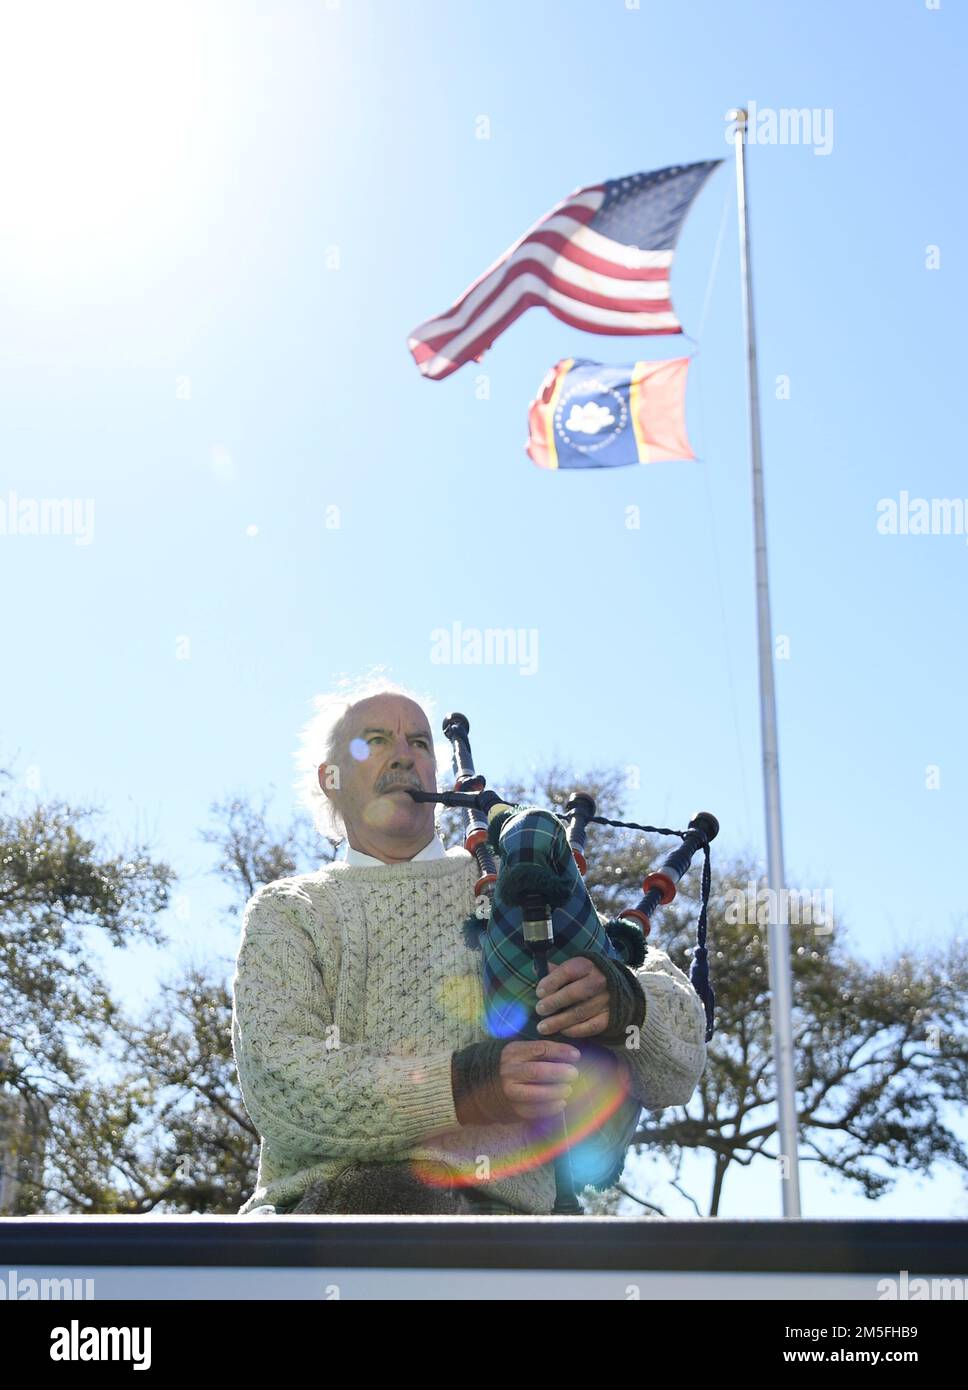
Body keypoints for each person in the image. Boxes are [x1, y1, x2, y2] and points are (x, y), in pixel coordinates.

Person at [231, 679, 708, 1215]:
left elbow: (682, 1057)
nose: (404, 757)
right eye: (375, 741)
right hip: (327, 1225)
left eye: (419, 741)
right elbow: (281, 1082)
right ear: (330, 778)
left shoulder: (516, 886)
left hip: (508, 1241)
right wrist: (466, 1084)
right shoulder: (291, 910)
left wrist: (624, 1002)